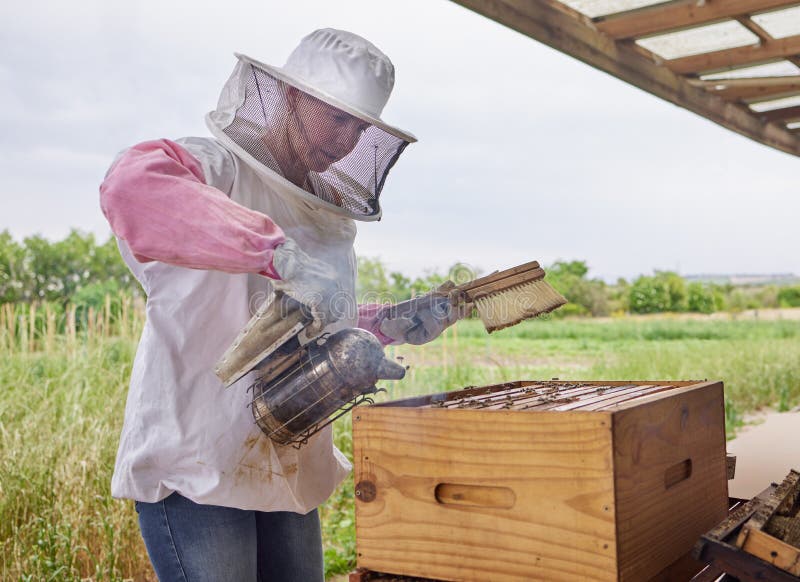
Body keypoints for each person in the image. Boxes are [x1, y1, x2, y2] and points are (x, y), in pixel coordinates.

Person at [99, 29, 458, 582]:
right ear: (291, 95)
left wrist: (388, 322)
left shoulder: (326, 214)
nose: (347, 139)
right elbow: (130, 184)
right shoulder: (216, 168)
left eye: (361, 127)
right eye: (336, 117)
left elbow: (314, 318)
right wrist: (271, 251)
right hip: (200, 460)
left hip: (290, 457)